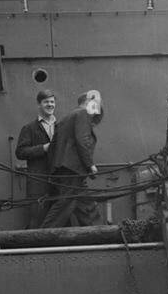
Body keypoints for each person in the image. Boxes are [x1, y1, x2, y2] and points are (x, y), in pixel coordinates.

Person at [40, 89, 103, 229]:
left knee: (86, 204)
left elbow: (53, 147)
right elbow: (82, 140)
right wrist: (90, 165)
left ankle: (97, 233)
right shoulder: (83, 113)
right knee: (65, 204)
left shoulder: (68, 117)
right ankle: (41, 236)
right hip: (72, 169)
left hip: (64, 169)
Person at [15, 89, 57, 228]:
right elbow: (20, 152)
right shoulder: (29, 128)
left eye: (52, 101)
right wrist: (43, 148)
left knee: (59, 219)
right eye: (46, 102)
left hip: (59, 180)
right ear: (39, 104)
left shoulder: (61, 126)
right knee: (37, 217)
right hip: (38, 181)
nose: (50, 105)